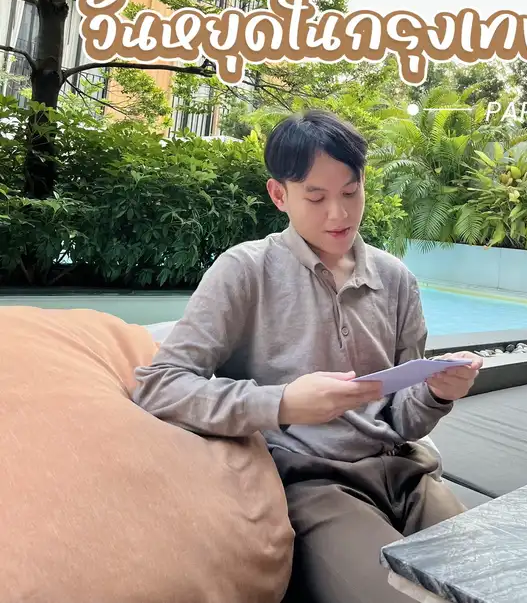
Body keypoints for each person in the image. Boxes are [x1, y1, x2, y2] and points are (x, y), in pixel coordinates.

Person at [132, 109, 482, 603]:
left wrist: (436, 394)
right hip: (312, 483)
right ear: (280, 195)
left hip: (407, 472)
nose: (338, 214)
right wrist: (283, 404)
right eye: (316, 197)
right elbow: (159, 386)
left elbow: (404, 419)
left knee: (494, 581)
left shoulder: (395, 279)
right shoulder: (245, 271)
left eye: (351, 192)